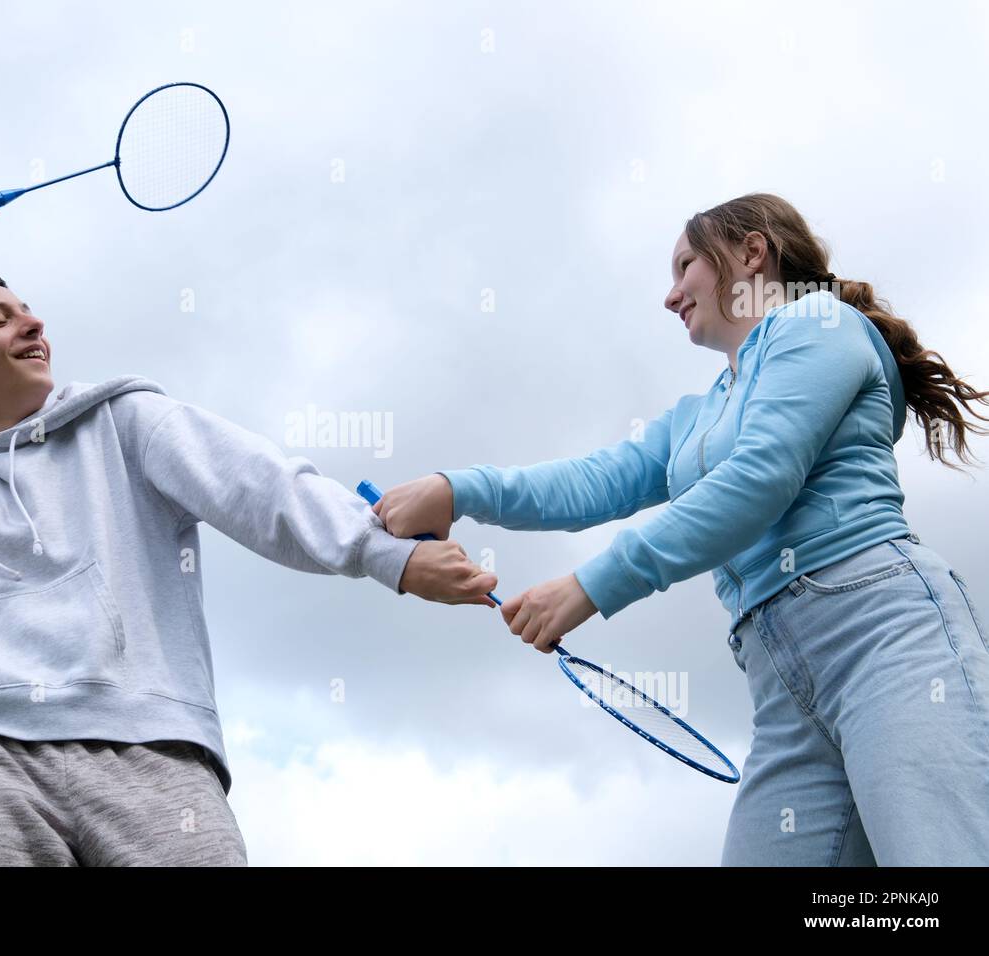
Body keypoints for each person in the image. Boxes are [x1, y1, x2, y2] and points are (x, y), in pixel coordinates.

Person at [0, 185, 498, 866]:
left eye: (28, 311)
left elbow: (259, 484)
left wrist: (386, 555)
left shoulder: (126, 423)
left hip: (155, 754)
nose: (32, 324)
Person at [372, 192, 989, 866]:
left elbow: (760, 478)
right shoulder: (697, 416)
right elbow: (594, 481)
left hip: (885, 640)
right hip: (780, 690)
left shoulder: (818, 323)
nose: (670, 296)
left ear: (752, 253)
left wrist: (589, 586)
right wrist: (456, 489)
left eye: (685, 265)